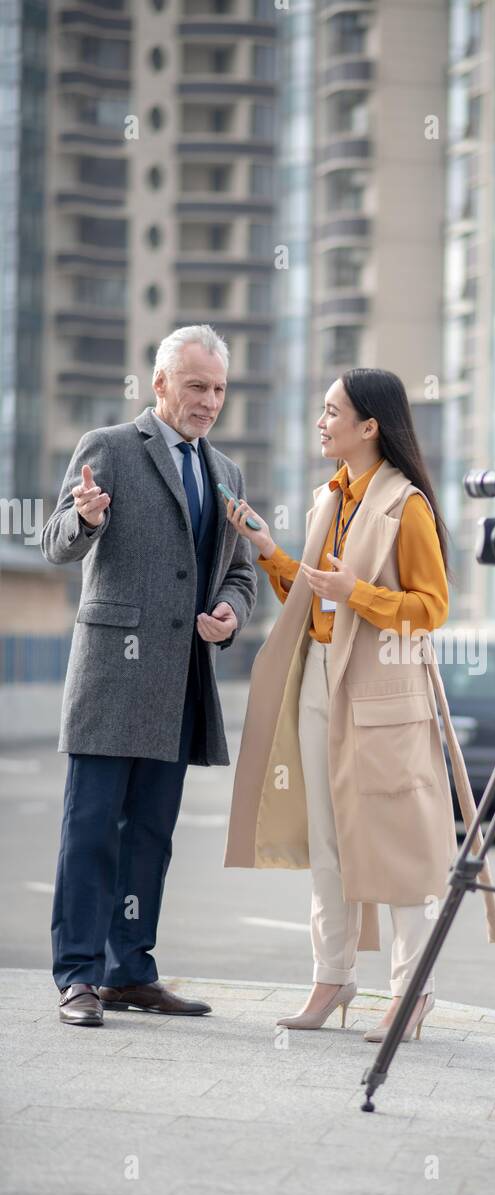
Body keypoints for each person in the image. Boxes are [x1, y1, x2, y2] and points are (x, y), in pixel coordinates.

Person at [223, 367, 495, 1039]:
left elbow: (431, 610)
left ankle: (412, 993)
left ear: (369, 426)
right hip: (320, 677)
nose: (321, 422)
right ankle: (333, 977)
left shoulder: (407, 505)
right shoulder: (331, 498)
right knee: (329, 844)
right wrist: (269, 553)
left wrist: (357, 594)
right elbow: (321, 591)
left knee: (397, 846)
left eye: (331, 411)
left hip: (384, 693)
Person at [42, 324, 258, 1026]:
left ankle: (129, 971)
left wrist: (230, 608)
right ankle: (78, 975)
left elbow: (241, 570)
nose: (208, 401)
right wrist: (85, 519)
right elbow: (53, 544)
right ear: (160, 383)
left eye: (219, 389)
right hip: (113, 676)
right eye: (196, 385)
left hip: (181, 684)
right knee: (91, 829)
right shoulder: (108, 448)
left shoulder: (227, 473)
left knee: (151, 836)